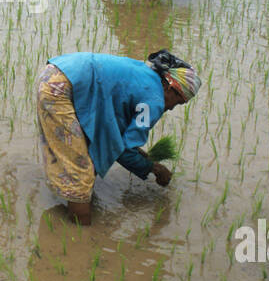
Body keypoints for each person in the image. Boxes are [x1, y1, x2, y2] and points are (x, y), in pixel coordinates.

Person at [35, 49, 201, 225]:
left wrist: (142, 155)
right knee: (80, 173)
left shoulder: (146, 76)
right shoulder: (155, 99)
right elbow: (123, 152)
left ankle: (79, 218)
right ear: (170, 87)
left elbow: (117, 136)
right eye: (179, 101)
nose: (172, 108)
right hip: (60, 89)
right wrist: (154, 169)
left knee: (87, 150)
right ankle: (81, 237)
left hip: (59, 73)